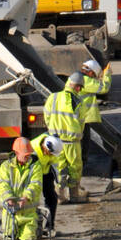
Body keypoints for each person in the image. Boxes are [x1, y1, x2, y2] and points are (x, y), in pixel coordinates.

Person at [0, 136, 43, 240]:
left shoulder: (35, 166)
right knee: (10, 236)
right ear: (16, 153)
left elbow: (36, 184)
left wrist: (26, 197)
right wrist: (9, 198)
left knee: (28, 237)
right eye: (25, 155)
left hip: (28, 211)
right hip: (11, 212)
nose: (27, 157)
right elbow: (1, 184)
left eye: (29, 155)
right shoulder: (6, 167)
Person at [43, 72, 89, 203]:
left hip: (56, 141)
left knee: (59, 168)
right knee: (75, 168)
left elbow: (46, 116)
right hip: (72, 142)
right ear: (78, 87)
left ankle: (60, 197)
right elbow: (81, 122)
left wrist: (51, 130)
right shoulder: (79, 102)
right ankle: (74, 195)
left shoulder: (53, 97)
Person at [29, 131, 65, 235]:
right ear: (45, 146)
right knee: (32, 201)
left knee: (52, 198)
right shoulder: (32, 151)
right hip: (31, 177)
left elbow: (55, 166)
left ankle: (49, 227)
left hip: (45, 173)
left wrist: (59, 184)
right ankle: (32, 228)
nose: (49, 155)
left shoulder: (53, 148)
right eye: (49, 153)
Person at [79, 56, 111, 162]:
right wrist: (107, 74)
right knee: (84, 140)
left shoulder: (75, 77)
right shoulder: (86, 81)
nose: (94, 78)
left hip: (77, 116)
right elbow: (104, 88)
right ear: (91, 72)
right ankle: (82, 161)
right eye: (94, 76)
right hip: (82, 117)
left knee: (82, 140)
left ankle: (81, 160)